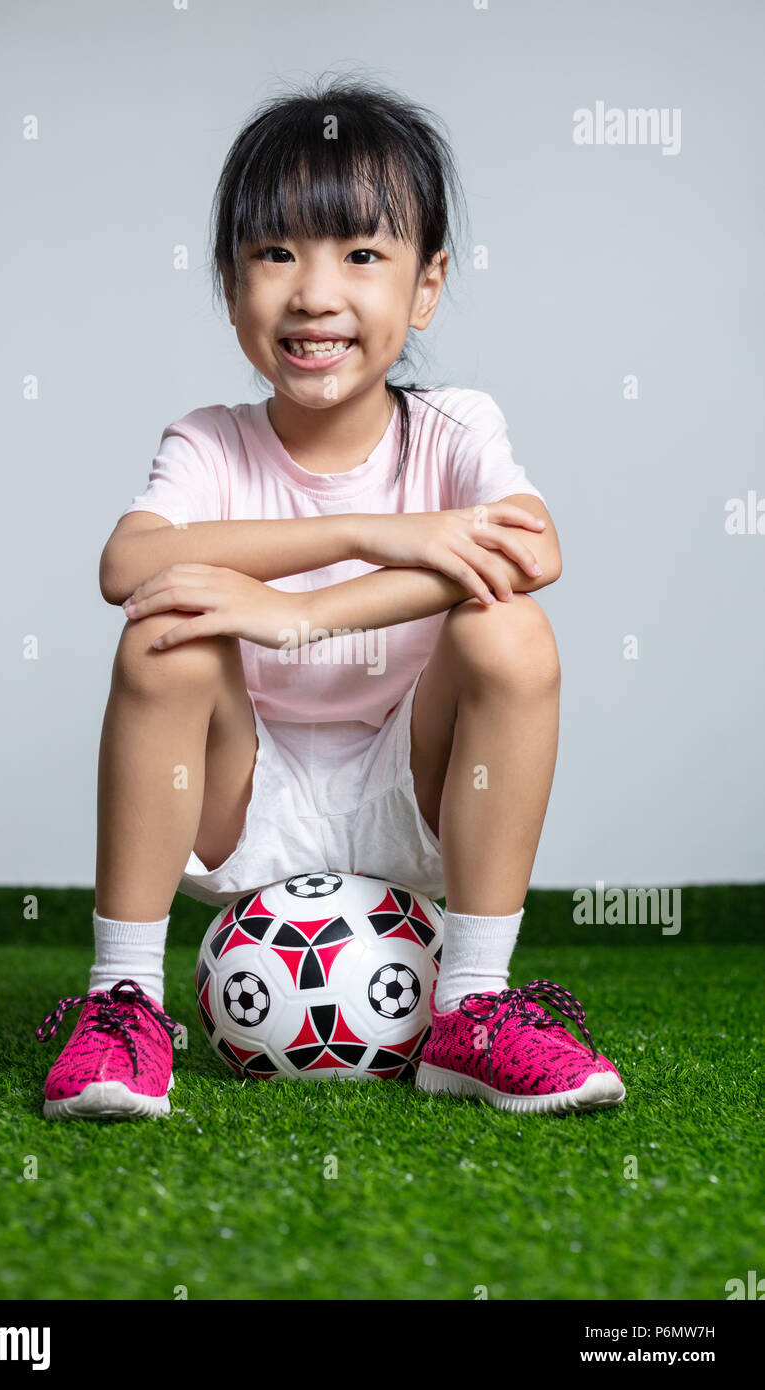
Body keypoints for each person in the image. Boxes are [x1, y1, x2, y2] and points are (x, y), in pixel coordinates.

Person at [36, 76, 625, 1119]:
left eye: (360, 255)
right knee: (164, 630)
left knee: (510, 629)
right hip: (241, 799)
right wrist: (366, 534)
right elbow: (126, 567)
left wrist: (304, 612)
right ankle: (121, 1004)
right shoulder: (211, 441)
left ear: (426, 284)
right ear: (228, 285)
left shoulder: (452, 428)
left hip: (417, 788)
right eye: (276, 255)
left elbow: (534, 551)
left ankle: (472, 1011)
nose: (314, 294)